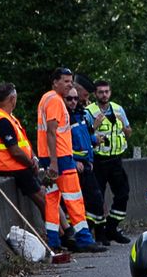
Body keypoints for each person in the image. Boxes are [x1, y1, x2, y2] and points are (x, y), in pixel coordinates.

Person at [37, 67, 104, 253]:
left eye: (70, 81)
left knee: (52, 199)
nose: (69, 85)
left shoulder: (46, 98)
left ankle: (54, 240)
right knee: (74, 199)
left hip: (49, 157)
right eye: (65, 81)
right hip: (60, 158)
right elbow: (51, 132)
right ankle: (84, 239)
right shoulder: (56, 102)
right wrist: (54, 162)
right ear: (55, 82)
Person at [0, 82, 45, 214]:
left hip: (17, 165)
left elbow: (24, 143)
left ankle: (59, 230)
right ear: (12, 99)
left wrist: (33, 157)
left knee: (44, 197)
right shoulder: (1, 120)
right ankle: (59, 232)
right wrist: (31, 164)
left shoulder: (9, 117)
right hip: (12, 167)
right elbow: (15, 151)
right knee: (43, 200)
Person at [85, 79, 132, 244]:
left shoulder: (118, 109)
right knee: (98, 197)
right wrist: (94, 127)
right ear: (95, 94)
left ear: (110, 92)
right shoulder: (89, 112)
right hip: (98, 160)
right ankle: (100, 234)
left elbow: (128, 131)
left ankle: (111, 228)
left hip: (116, 159)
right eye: (100, 92)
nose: (104, 95)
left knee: (123, 193)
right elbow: (83, 136)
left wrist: (124, 128)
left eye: (106, 92)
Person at [66, 89, 107, 245]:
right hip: (75, 165)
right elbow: (63, 144)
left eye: (76, 98)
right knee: (82, 201)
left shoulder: (81, 115)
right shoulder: (66, 118)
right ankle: (79, 236)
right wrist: (74, 160)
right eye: (69, 99)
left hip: (86, 164)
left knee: (95, 200)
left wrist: (95, 141)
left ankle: (90, 233)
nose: (73, 102)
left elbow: (85, 138)